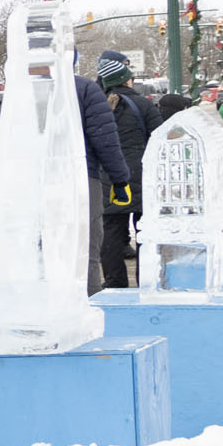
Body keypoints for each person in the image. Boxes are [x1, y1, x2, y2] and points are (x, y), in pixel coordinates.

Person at [71, 60, 132, 294]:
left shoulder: (22, 90)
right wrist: (119, 179)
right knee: (86, 247)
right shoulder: (84, 88)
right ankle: (87, 303)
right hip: (82, 178)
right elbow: (105, 140)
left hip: (35, 182)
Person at [97, 54, 155, 287]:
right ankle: (146, 281)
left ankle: (115, 283)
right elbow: (158, 138)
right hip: (142, 176)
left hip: (109, 177)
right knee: (146, 231)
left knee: (110, 232)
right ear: (126, 80)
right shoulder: (144, 104)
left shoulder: (97, 104)